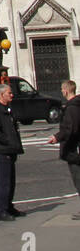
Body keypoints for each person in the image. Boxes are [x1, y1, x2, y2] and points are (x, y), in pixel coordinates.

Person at [0, 82, 25, 220]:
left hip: (11, 149)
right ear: (2, 95)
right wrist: (7, 140)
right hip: (3, 150)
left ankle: (8, 206)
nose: (12, 95)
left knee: (11, 181)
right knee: (4, 182)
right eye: (10, 93)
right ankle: (1, 210)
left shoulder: (7, 108)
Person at [47, 79, 80, 218]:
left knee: (78, 179)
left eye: (62, 89)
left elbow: (70, 128)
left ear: (66, 90)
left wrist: (57, 137)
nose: (61, 91)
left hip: (74, 149)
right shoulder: (76, 105)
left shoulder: (72, 108)